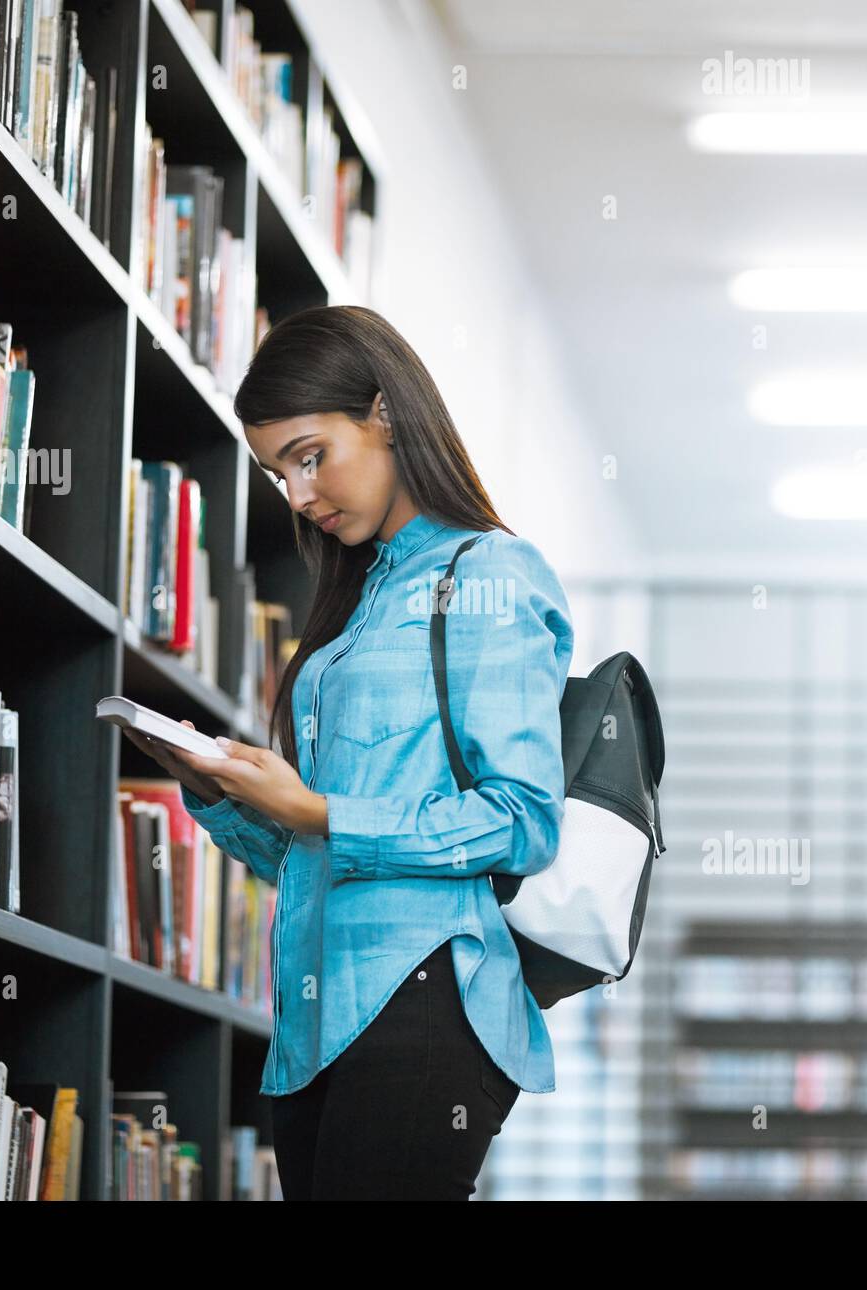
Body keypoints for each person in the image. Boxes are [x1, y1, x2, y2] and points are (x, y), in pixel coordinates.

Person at [122, 304, 574, 1200]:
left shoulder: (486, 574)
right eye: (276, 472)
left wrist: (319, 811)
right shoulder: (354, 600)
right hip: (312, 1022)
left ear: (386, 414)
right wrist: (214, 794)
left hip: (423, 999)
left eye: (309, 456)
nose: (296, 495)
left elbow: (524, 821)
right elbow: (310, 853)